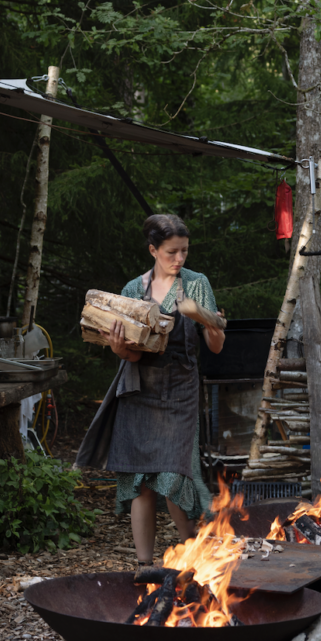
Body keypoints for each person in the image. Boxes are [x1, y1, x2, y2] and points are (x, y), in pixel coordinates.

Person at [74, 214, 225, 565]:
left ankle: (196, 561)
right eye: (172, 252)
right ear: (153, 250)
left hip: (180, 392)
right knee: (139, 479)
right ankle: (144, 566)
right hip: (139, 391)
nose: (179, 259)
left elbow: (216, 345)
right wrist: (116, 346)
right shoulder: (132, 290)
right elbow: (130, 354)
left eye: (184, 251)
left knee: (175, 474)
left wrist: (211, 322)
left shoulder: (196, 284)